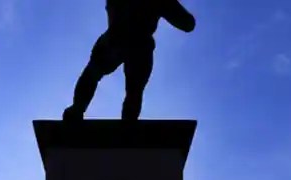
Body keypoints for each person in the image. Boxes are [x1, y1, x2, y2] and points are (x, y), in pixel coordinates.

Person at [63, 0, 197, 122]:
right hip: (123, 39)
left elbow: (187, 23)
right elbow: (187, 23)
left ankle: (125, 120)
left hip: (129, 41)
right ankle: (79, 109)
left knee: (131, 88)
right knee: (104, 77)